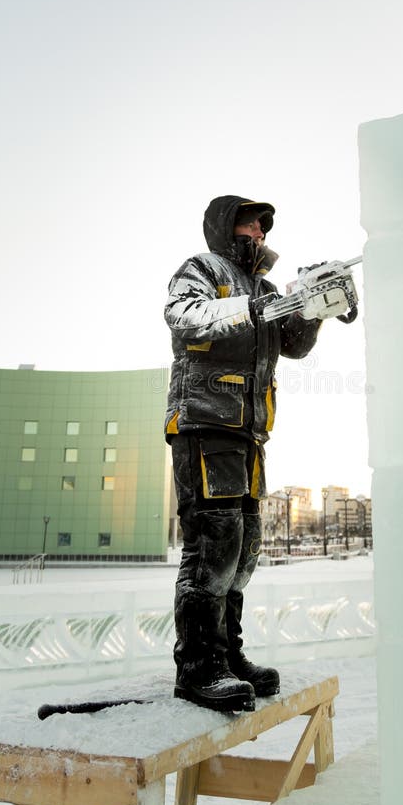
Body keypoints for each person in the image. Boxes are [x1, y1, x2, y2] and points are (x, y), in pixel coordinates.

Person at [164, 194, 322, 712]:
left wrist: (316, 307)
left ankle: (227, 656)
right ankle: (197, 668)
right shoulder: (202, 271)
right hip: (204, 424)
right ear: (224, 228)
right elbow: (184, 317)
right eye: (250, 224)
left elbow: (293, 344)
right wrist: (247, 307)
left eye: (262, 227)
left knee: (246, 545)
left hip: (249, 433)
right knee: (215, 544)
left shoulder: (267, 288)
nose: (258, 233)